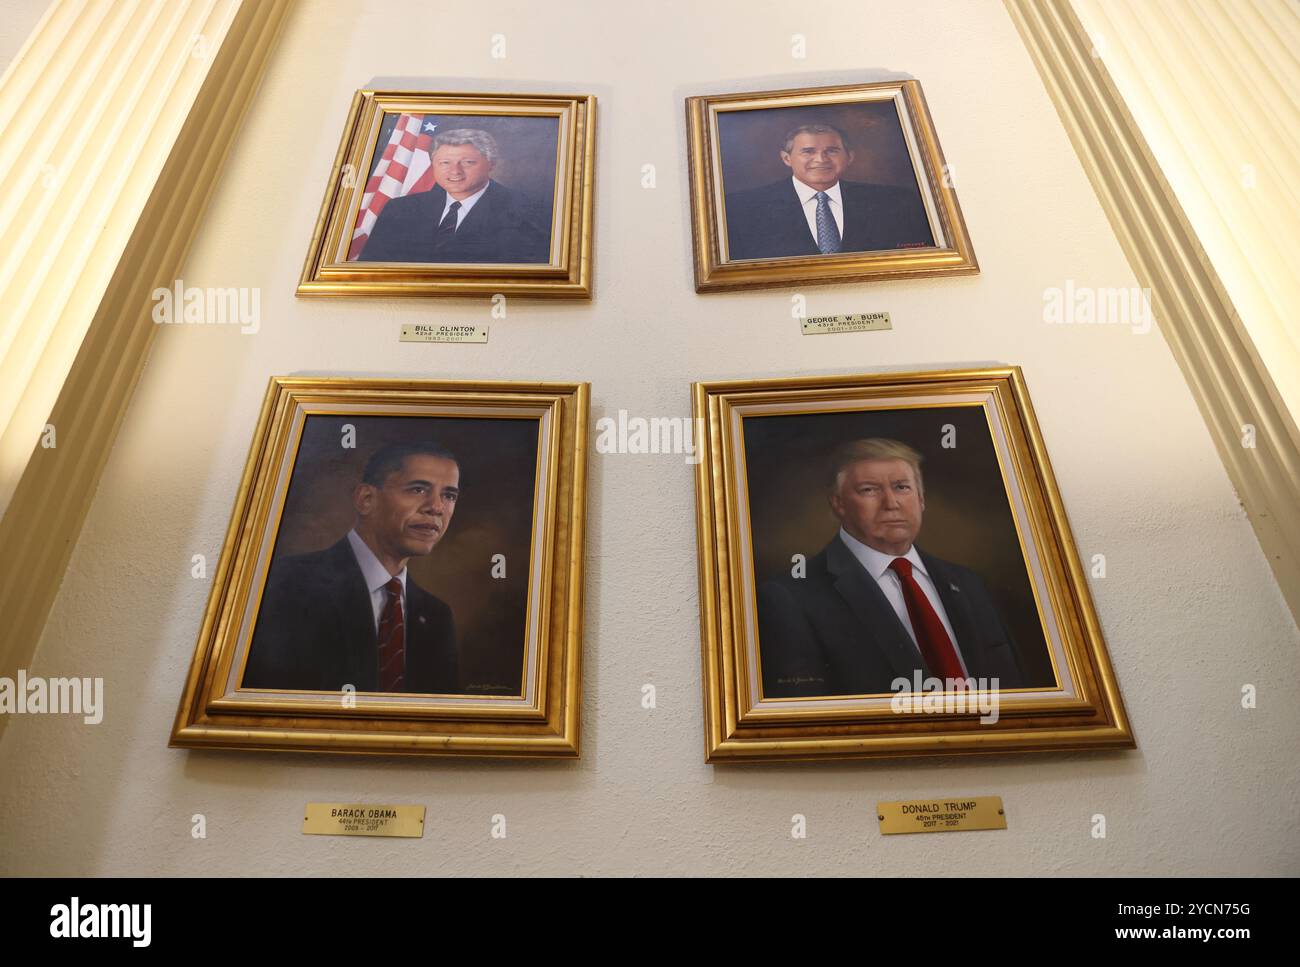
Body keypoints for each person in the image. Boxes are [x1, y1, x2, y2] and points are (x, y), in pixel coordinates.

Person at [756, 438, 1025, 698]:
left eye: (901, 487)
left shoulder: (968, 583)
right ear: (837, 503)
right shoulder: (789, 599)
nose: (891, 503)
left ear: (921, 499)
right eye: (869, 490)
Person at [242, 441, 461, 694]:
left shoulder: (436, 616)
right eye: (418, 490)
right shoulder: (288, 583)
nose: (436, 507)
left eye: (449, 495)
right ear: (366, 499)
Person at [724, 123, 933, 260]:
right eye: (808, 151)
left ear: (849, 157)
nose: (821, 159)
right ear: (786, 159)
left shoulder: (896, 202)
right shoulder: (742, 208)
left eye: (832, 151)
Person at [357, 128, 551, 264]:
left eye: (467, 162)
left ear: (491, 164)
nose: (455, 172)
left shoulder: (526, 212)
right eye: (445, 163)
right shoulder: (399, 209)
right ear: (433, 164)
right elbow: (372, 269)